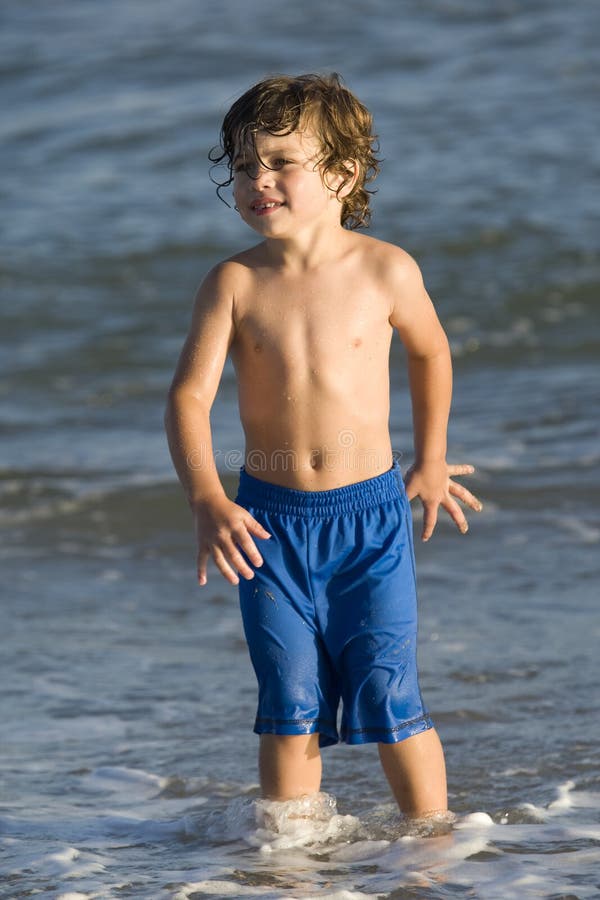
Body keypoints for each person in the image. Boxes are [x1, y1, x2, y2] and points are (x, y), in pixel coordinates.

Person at [165, 73, 482, 819]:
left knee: (386, 683)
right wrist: (207, 497)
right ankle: (291, 857)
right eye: (244, 166)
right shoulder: (233, 284)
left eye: (280, 162)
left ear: (342, 173)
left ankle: (435, 845)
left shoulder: (385, 269)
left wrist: (431, 458)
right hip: (266, 524)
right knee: (288, 695)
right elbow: (188, 396)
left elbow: (431, 352)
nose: (257, 180)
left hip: (368, 518)